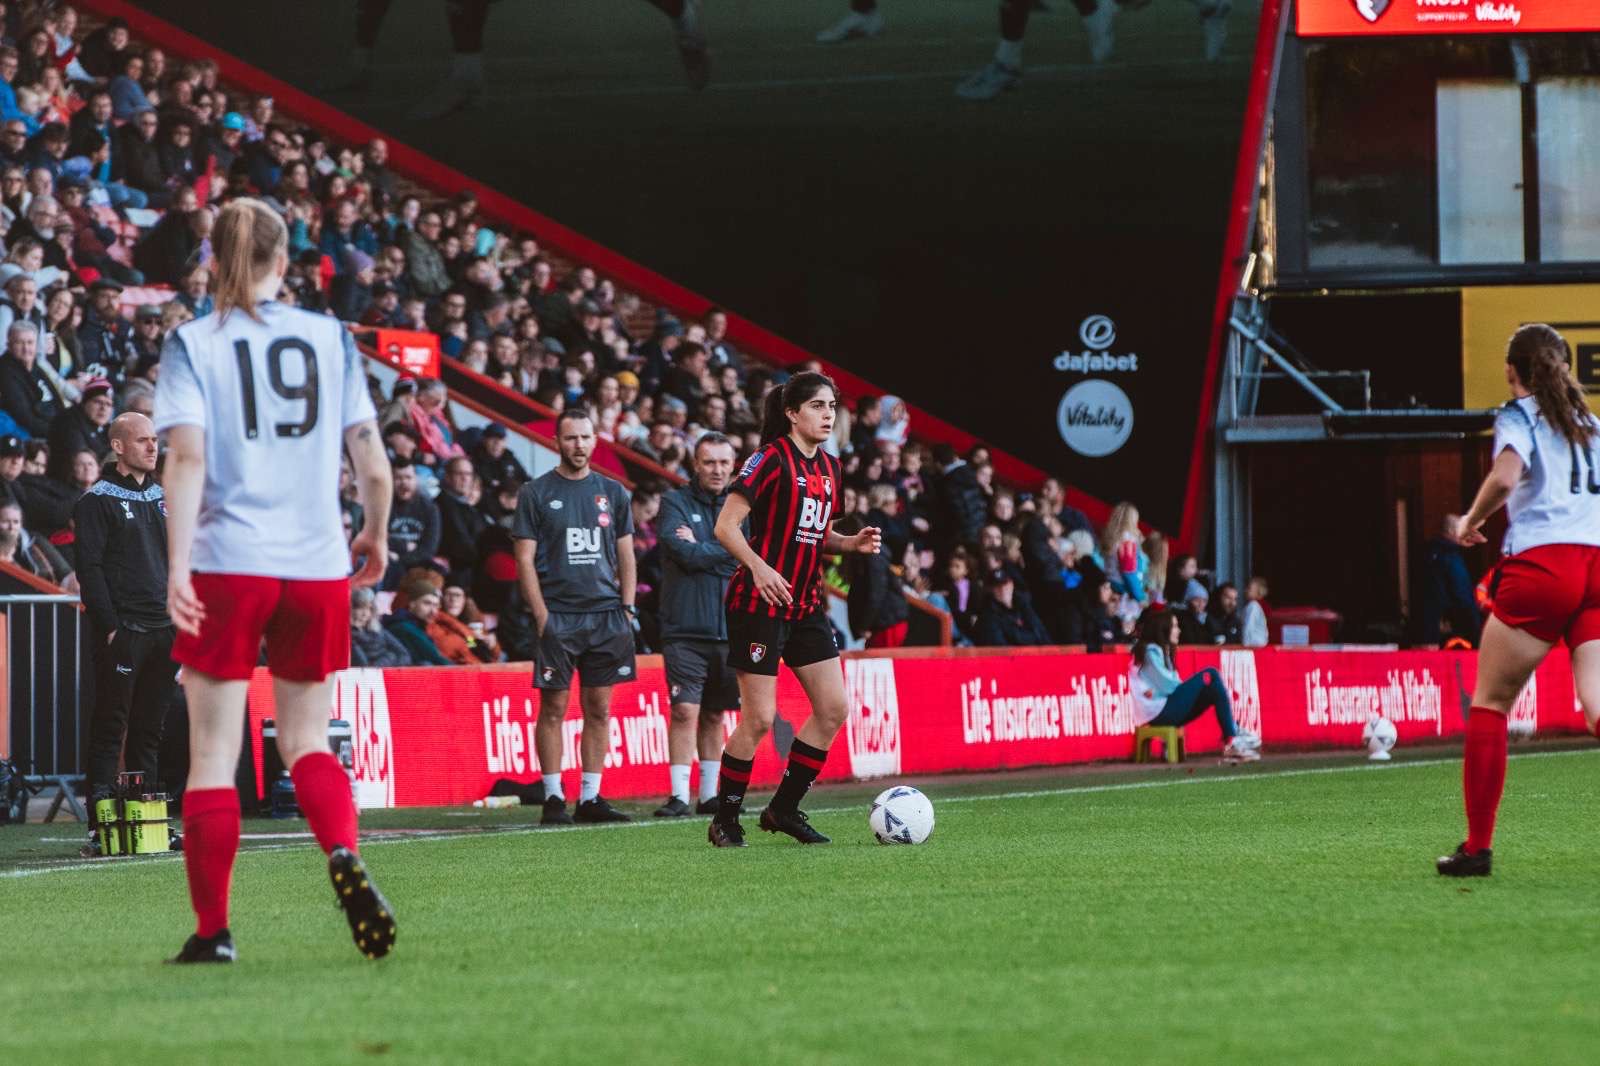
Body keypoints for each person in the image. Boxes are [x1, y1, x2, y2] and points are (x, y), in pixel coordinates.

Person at [153, 198, 395, 964]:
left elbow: (185, 459)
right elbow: (374, 463)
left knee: (213, 755)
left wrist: (178, 563)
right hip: (317, 562)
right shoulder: (331, 338)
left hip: (231, 559)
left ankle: (213, 930)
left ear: (214, 261)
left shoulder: (194, 342)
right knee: (306, 738)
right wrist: (374, 532)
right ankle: (342, 854)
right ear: (284, 260)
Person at [1436, 324, 1600, 877]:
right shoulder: (1592, 425)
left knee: (1490, 702)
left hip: (1544, 565)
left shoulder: (1517, 414)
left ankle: (1477, 848)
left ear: (1513, 370)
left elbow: (1505, 480)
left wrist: (1468, 522)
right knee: (1598, 705)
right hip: (1597, 567)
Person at [706, 371, 881, 847]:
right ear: (791, 412)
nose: (828, 415)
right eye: (818, 406)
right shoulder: (768, 459)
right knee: (760, 718)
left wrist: (850, 544)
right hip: (758, 602)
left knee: (833, 708)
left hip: (804, 604)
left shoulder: (830, 467)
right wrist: (759, 569)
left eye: (832, 406)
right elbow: (725, 528)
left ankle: (782, 810)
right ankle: (724, 818)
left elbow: (817, 533)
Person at [512, 407, 638, 825]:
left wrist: (627, 606)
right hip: (559, 617)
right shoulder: (534, 492)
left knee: (599, 709)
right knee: (553, 708)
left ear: (595, 440)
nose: (579, 445)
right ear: (556, 441)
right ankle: (552, 796)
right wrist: (542, 616)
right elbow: (524, 559)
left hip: (606, 617)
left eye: (585, 437)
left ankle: (590, 797)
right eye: (571, 438)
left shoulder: (614, 492)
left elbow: (625, 553)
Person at [74, 412, 180, 854]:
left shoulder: (164, 497)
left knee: (150, 728)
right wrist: (110, 625)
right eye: (142, 441)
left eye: (154, 440)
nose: (152, 448)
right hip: (125, 629)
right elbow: (90, 568)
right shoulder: (95, 501)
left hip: (164, 627)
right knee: (110, 726)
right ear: (118, 447)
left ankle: (149, 820)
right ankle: (100, 825)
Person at [652, 431, 740, 818]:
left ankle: (708, 796)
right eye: (709, 462)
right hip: (684, 630)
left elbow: (748, 553)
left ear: (733, 466)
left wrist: (704, 548)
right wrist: (728, 549)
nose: (717, 469)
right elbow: (682, 553)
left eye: (723, 462)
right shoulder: (673, 502)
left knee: (715, 714)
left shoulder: (742, 507)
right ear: (696, 465)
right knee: (685, 710)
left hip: (730, 629)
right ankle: (677, 796)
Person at [1130, 609, 1261, 763]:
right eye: (1175, 626)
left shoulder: (1162, 651)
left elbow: (1170, 687)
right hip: (1157, 713)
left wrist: (1189, 692)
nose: (1179, 630)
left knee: (1212, 689)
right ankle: (1233, 735)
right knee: (1210, 674)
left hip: (1163, 708)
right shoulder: (1149, 653)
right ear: (1164, 629)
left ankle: (1232, 735)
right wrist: (1191, 690)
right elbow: (1170, 686)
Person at [350, 586, 412, 667]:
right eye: (360, 608)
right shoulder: (347, 637)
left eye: (369, 608)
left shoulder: (378, 630)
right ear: (351, 609)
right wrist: (390, 656)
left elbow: (405, 655)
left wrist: (385, 661)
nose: (365, 614)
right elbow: (362, 664)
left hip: (386, 676)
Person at [1241, 575, 1269, 647]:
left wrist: (1244, 646)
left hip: (1253, 645)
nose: (1245, 591)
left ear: (1258, 592)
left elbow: (1248, 628)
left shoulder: (1253, 606)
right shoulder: (1258, 606)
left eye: (1249, 589)